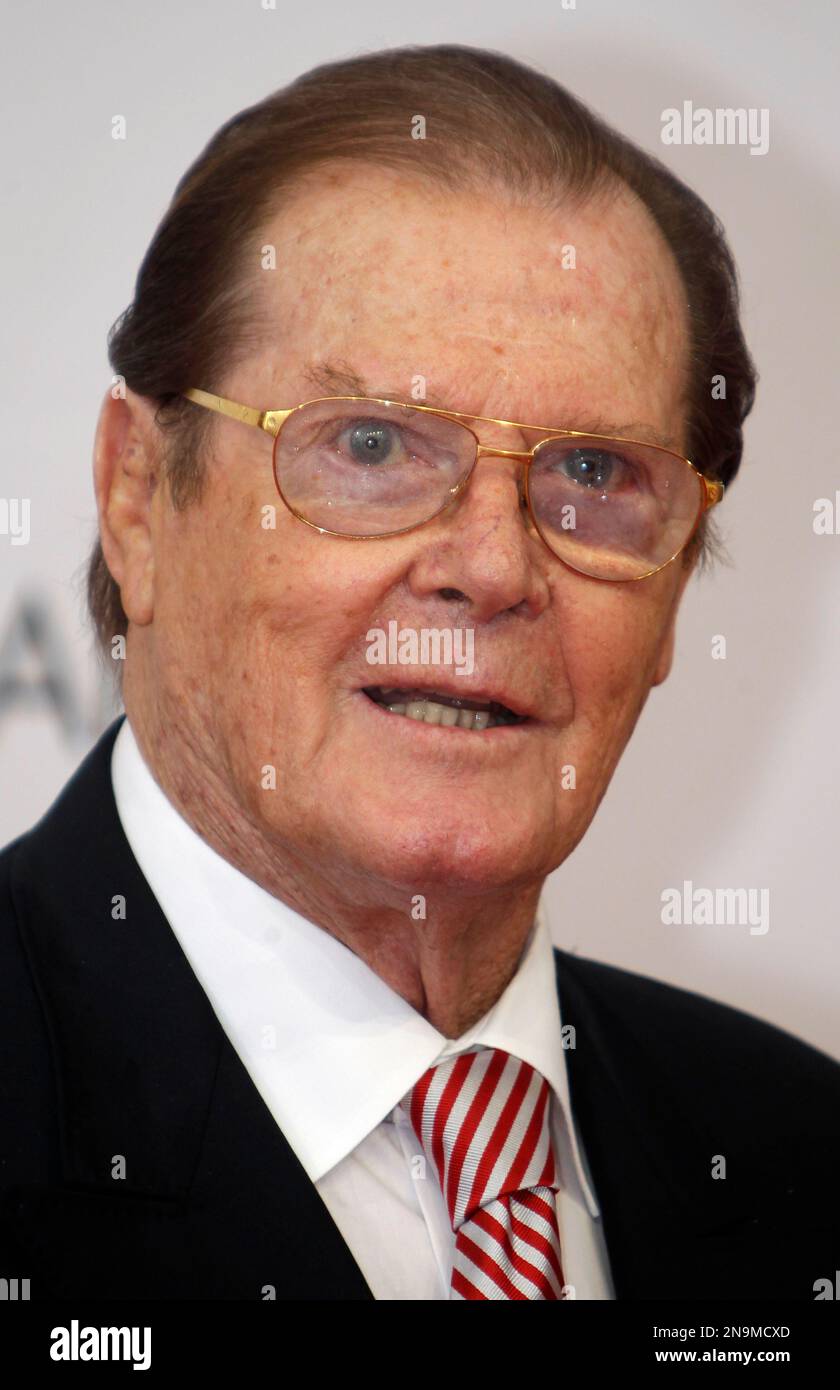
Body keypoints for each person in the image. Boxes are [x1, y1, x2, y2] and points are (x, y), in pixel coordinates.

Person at [1, 43, 837, 1302]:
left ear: (673, 596)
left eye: (596, 476)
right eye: (374, 444)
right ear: (136, 497)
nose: (493, 566)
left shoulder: (800, 1157)